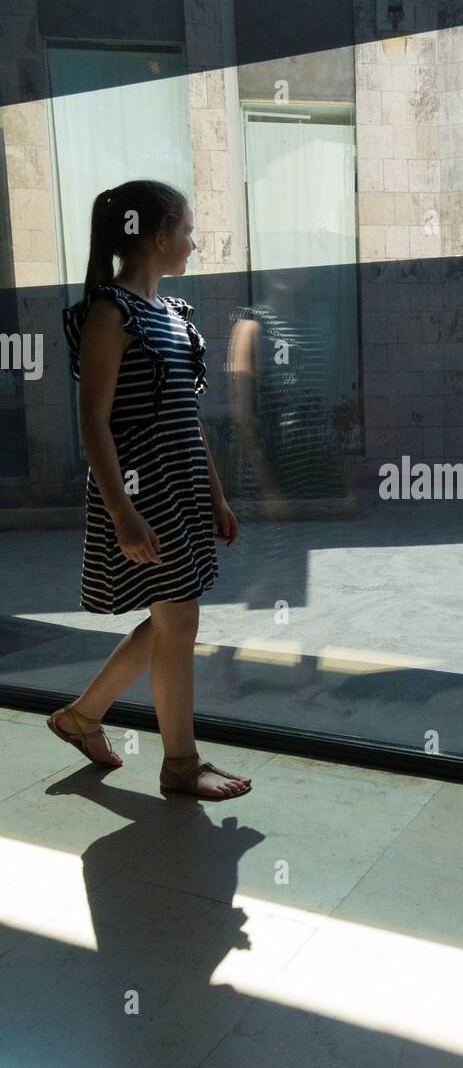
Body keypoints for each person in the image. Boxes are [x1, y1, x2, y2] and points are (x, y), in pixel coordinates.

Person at [47, 180, 251, 800]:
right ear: (158, 237)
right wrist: (121, 512)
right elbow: (93, 421)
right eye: (187, 231)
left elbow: (184, 420)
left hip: (181, 484)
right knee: (179, 617)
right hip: (142, 491)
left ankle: (81, 717)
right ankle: (180, 765)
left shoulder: (172, 313)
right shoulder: (110, 312)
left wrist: (215, 496)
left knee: (172, 621)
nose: (193, 243)